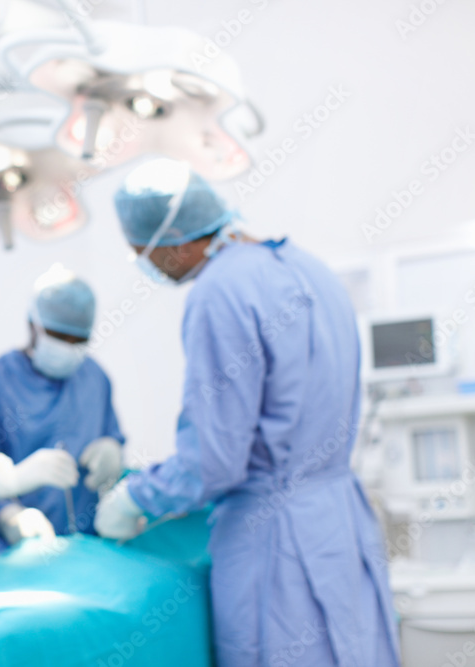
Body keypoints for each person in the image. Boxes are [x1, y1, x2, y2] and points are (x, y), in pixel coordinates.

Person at [94, 159, 400, 667]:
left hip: (279, 543)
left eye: (143, 255)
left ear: (171, 244)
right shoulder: (310, 269)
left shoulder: (220, 292)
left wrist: (137, 498)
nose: (150, 267)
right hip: (339, 525)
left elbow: (214, 460)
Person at [0, 266, 125, 552]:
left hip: (87, 544)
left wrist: (112, 449)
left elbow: (112, 436)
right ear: (33, 324)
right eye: (58, 335)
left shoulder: (95, 379)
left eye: (77, 341)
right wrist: (9, 516)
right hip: (16, 549)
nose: (67, 347)